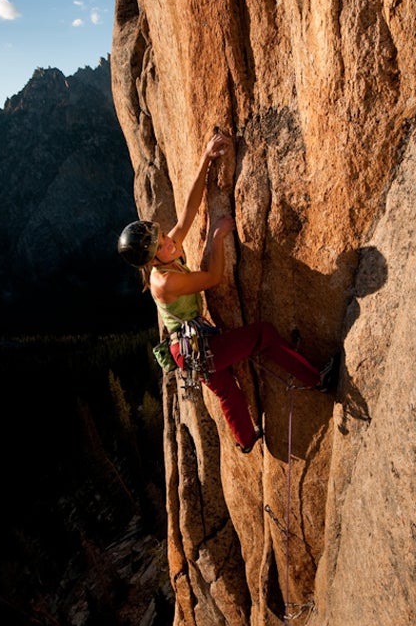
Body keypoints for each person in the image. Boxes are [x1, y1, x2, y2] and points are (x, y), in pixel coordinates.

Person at [117, 130, 338, 453]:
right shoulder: (165, 281)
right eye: (161, 243)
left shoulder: (165, 255)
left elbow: (189, 212)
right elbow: (211, 278)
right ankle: (318, 380)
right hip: (195, 347)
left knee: (227, 391)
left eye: (161, 235)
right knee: (262, 335)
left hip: (190, 349)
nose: (168, 240)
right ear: (152, 260)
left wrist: (206, 159)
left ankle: (246, 440)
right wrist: (216, 239)